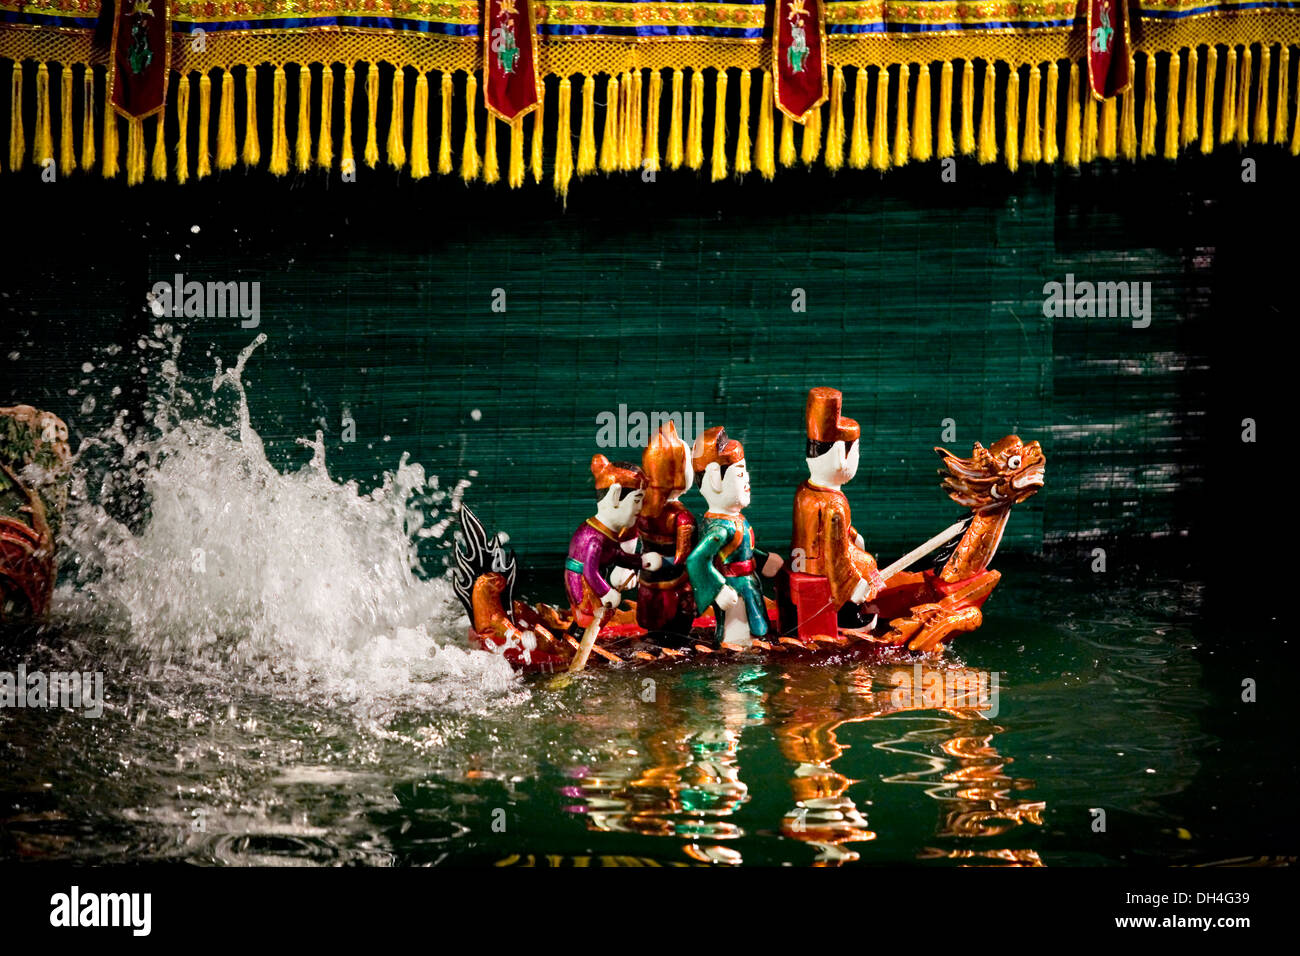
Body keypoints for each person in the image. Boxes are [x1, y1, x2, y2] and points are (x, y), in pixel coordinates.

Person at [789, 387, 885, 633]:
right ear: (842, 455)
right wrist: (853, 585)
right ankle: (848, 615)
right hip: (822, 564)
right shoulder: (834, 504)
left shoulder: (805, 489)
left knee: (859, 550)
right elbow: (836, 555)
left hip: (802, 560)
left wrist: (852, 535)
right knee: (867, 562)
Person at [686, 427, 783, 647]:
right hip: (735, 590)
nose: (747, 479)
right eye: (740, 473)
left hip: (749, 585)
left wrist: (764, 559)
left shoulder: (734, 520)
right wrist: (718, 588)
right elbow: (696, 560)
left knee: (753, 633)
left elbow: (741, 549)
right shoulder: (720, 529)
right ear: (714, 479)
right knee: (738, 637)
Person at [564, 454, 661, 629]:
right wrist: (605, 591)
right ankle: (576, 639)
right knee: (590, 616)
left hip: (593, 578)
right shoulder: (595, 537)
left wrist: (642, 561)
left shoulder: (608, 533)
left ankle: (578, 635)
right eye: (637, 500)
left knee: (599, 615)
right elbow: (589, 570)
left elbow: (618, 555)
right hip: (583, 581)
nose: (640, 508)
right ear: (615, 496)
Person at [635, 421, 697, 634]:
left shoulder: (682, 518)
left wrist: (662, 561)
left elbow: (686, 558)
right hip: (647, 581)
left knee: (673, 631)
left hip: (673, 586)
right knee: (649, 625)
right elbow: (634, 541)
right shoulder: (642, 509)